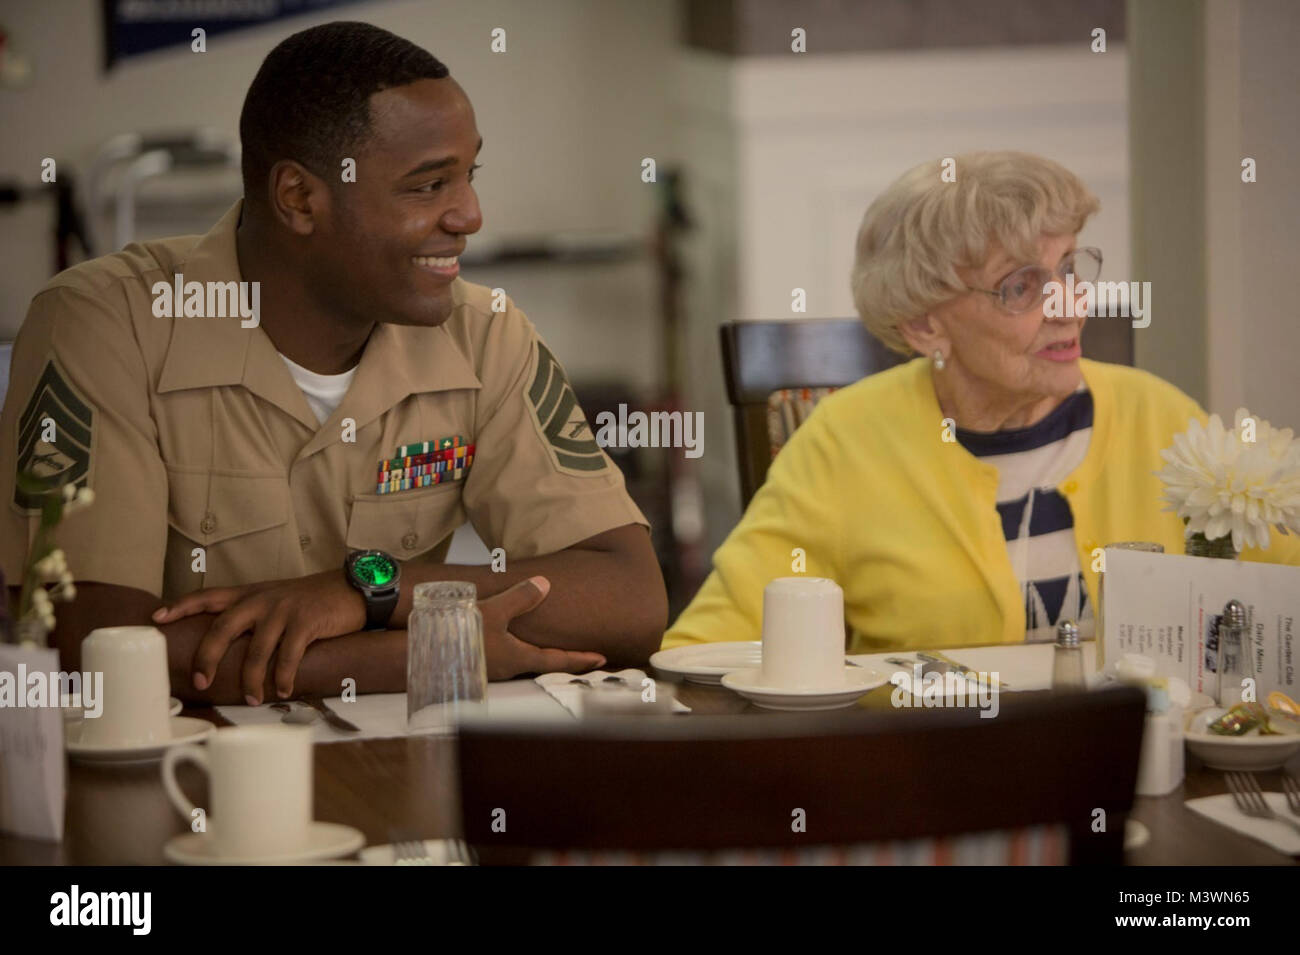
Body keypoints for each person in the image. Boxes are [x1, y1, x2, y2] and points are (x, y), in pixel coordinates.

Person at [1, 22, 666, 705]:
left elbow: (630, 598)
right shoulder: (103, 326)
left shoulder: (484, 335)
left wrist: (369, 590)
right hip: (185, 788)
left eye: (468, 177)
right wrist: (435, 648)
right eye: (428, 185)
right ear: (298, 198)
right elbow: (94, 649)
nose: (469, 214)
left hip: (397, 782)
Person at [663, 151, 1300, 653]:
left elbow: (1285, 594)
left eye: (1070, 269)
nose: (1068, 306)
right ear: (925, 327)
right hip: (934, 786)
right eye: (1021, 285)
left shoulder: (1158, 416)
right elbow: (712, 646)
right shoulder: (844, 442)